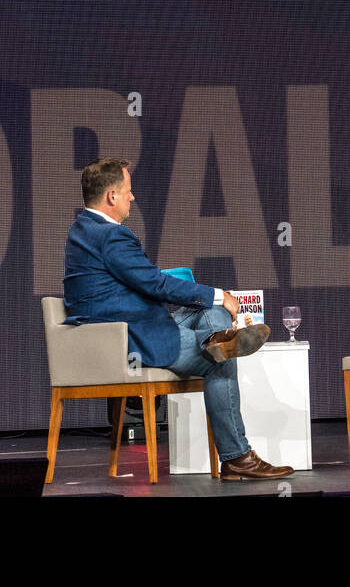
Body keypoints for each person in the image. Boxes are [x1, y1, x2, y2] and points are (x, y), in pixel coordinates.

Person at [64, 159, 294, 481]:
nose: (133, 198)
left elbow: (137, 283)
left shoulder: (81, 229)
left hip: (129, 325)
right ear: (112, 196)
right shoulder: (110, 236)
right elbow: (154, 284)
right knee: (219, 360)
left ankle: (219, 338)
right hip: (133, 338)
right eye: (129, 192)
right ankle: (237, 457)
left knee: (208, 311)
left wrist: (209, 297)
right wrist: (218, 293)